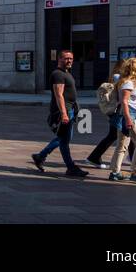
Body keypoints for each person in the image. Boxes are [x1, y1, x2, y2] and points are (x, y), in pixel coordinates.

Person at [31, 49, 90, 178]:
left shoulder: (66, 73)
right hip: (63, 111)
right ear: (59, 59)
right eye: (66, 58)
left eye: (71, 59)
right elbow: (59, 95)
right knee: (64, 140)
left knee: (63, 139)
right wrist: (64, 113)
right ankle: (70, 167)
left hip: (70, 110)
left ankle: (40, 156)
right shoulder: (58, 74)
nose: (69, 61)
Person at [108, 57, 136, 184]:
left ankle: (115, 172)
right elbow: (124, 102)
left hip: (130, 115)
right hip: (128, 116)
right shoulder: (128, 83)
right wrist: (128, 119)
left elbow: (132, 102)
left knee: (122, 145)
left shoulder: (127, 81)